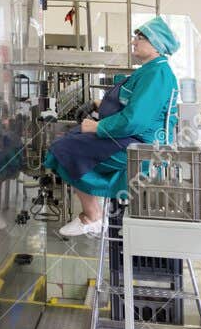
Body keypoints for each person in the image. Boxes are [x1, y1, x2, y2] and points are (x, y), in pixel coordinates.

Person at [45, 15, 180, 237]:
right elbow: (128, 102)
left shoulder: (157, 73)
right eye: (135, 36)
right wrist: (98, 104)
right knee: (72, 138)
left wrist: (97, 127)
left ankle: (93, 216)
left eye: (140, 37)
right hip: (132, 137)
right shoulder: (150, 70)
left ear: (156, 44)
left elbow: (135, 119)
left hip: (141, 145)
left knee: (65, 149)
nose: (134, 41)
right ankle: (94, 205)